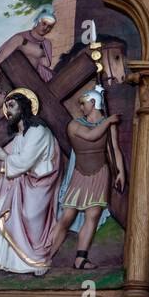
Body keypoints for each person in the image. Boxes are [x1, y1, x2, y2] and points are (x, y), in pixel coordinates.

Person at [0, 90, 62, 277]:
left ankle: (36, 261)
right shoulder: (21, 135)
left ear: (24, 107)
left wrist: (4, 157)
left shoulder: (38, 131)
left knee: (30, 222)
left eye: (12, 106)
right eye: (6, 107)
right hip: (22, 185)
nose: (8, 111)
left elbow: (23, 161)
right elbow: (9, 158)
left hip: (39, 186)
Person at [48, 86, 124, 270]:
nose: (81, 108)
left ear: (93, 102)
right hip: (80, 174)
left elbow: (113, 149)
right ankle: (45, 256)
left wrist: (120, 171)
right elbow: (91, 136)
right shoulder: (74, 124)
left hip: (100, 173)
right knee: (68, 215)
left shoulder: (108, 125)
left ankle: (80, 259)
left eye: (83, 104)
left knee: (93, 215)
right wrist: (107, 122)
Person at [0, 6, 57, 96]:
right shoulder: (19, 38)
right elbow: (2, 59)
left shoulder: (46, 43)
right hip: (14, 77)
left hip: (36, 78)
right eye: (44, 24)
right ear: (38, 21)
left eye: (49, 27)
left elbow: (46, 63)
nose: (45, 28)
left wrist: (37, 51)